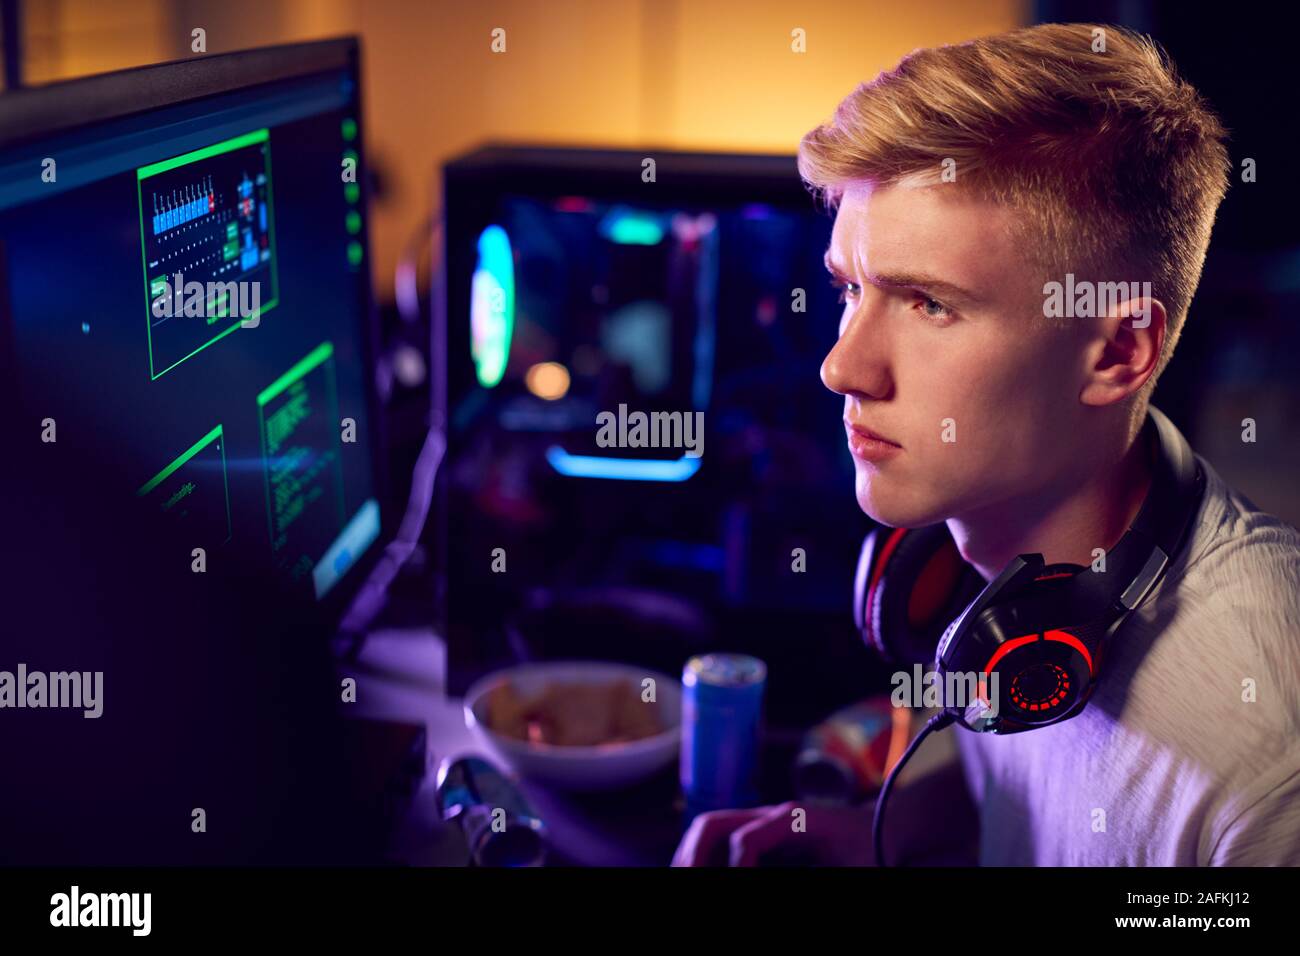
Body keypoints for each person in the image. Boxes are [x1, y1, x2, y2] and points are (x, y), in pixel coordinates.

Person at [674, 21, 1300, 867]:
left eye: (930, 304)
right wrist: (875, 839)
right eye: (850, 289)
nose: (840, 367)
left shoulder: (1267, 758)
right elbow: (1028, 812)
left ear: (1117, 352)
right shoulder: (1013, 598)